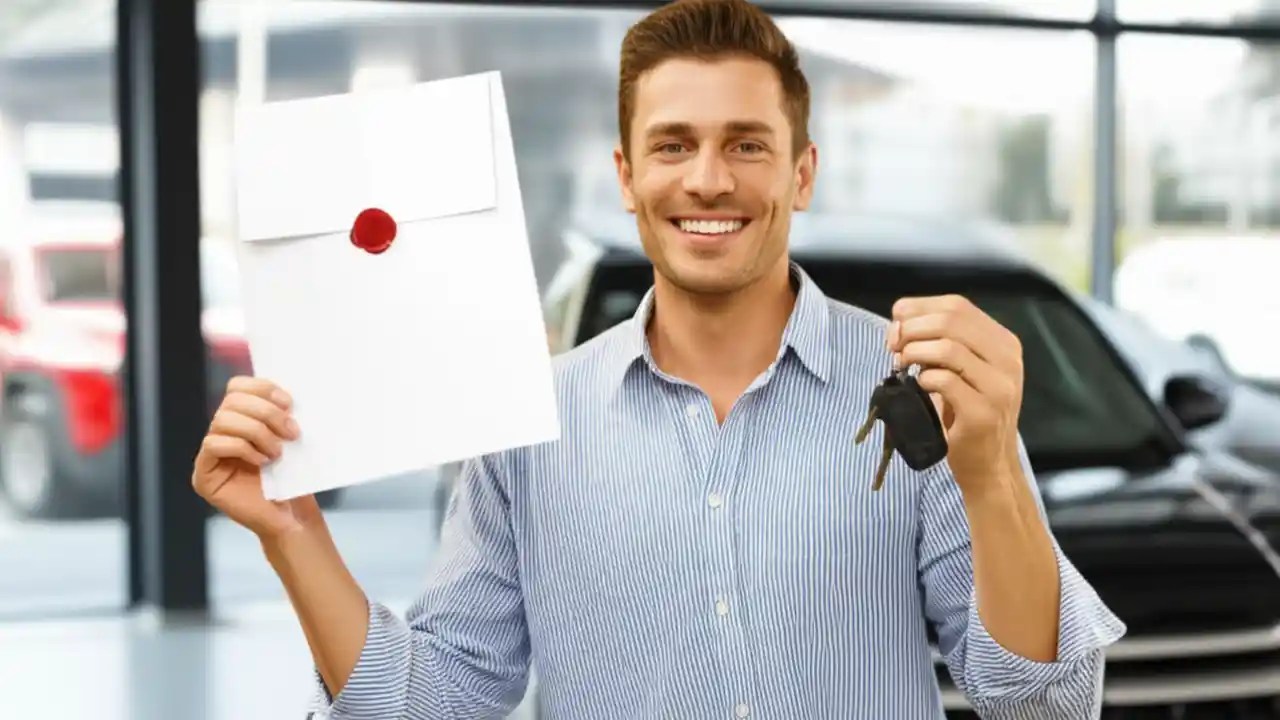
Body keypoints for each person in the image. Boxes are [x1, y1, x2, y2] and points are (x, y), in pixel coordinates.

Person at [192, 0, 1126, 717]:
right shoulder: (527, 422)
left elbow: (1041, 706)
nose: (708, 179)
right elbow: (434, 704)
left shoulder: (925, 404)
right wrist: (295, 535)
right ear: (627, 175)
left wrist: (993, 470)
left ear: (802, 172)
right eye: (672, 145)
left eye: (746, 145)